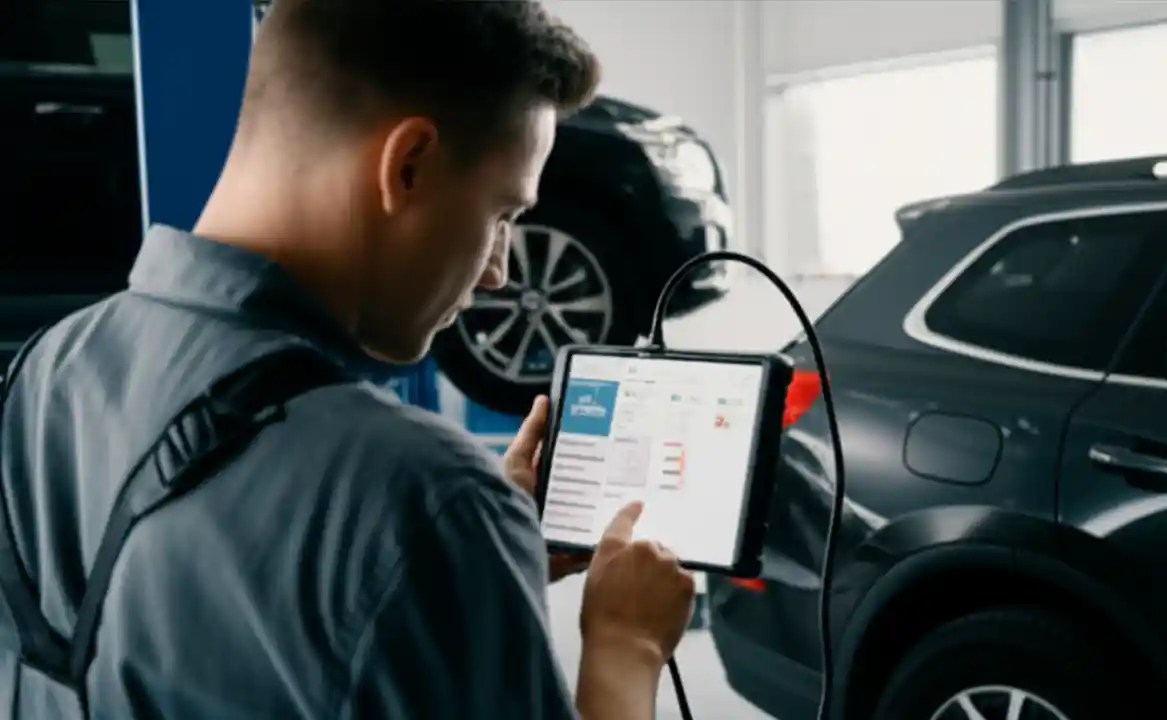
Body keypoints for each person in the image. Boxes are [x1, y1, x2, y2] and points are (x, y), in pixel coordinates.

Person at [0, 1, 695, 718]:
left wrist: (465, 569)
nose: (500, 273)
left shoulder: (49, 367)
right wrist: (623, 648)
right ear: (409, 165)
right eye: (502, 215)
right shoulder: (423, 495)